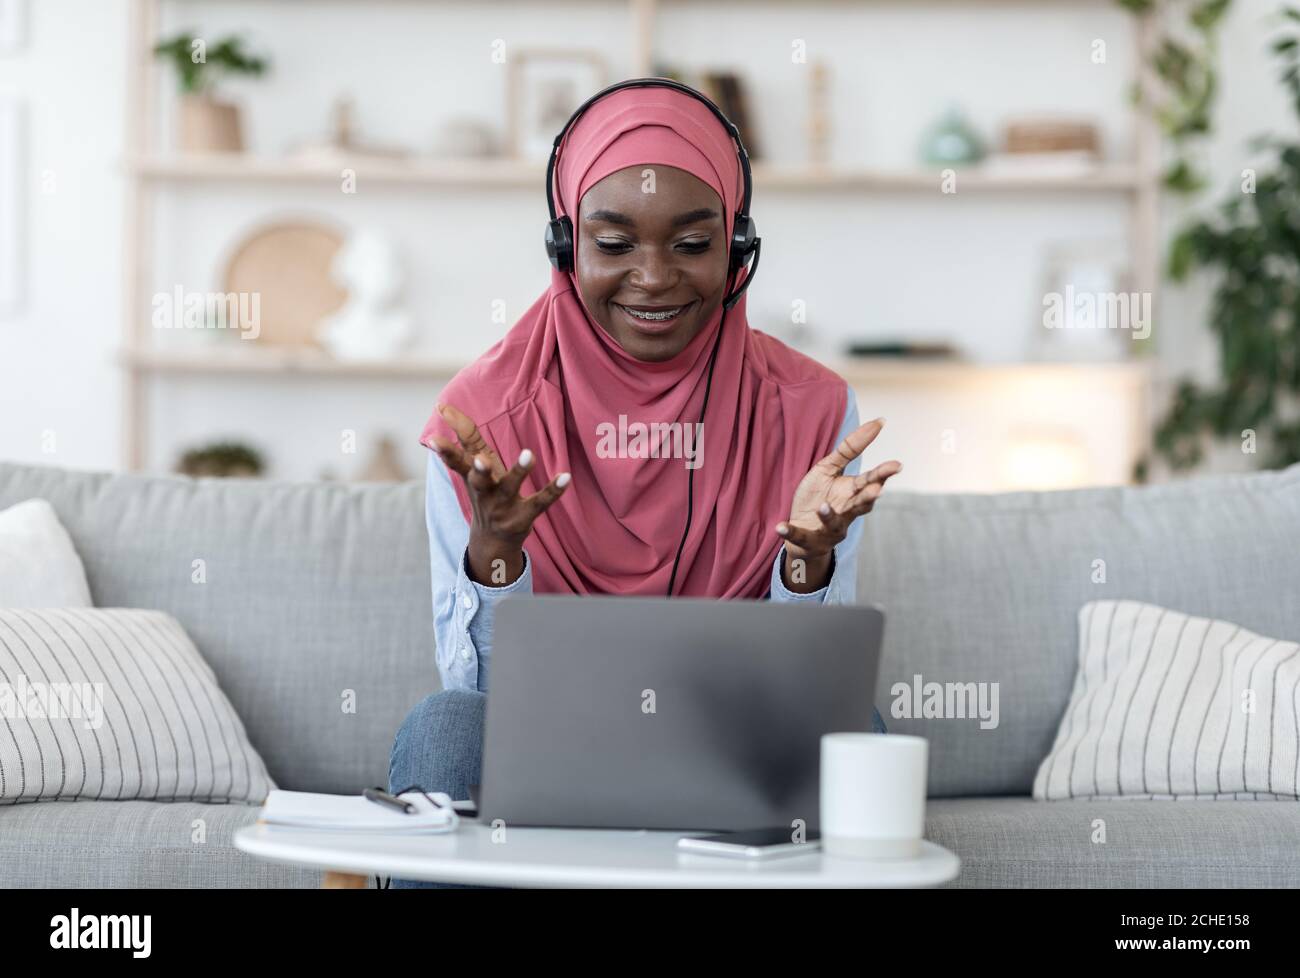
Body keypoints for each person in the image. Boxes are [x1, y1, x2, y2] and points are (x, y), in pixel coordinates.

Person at [388, 83, 902, 881]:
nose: (654, 278)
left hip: (737, 760)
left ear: (737, 250)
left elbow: (813, 699)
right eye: (615, 244)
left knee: (856, 730)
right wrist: (496, 554)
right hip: (548, 755)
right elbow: (478, 693)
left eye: (692, 245)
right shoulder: (483, 417)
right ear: (566, 248)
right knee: (444, 726)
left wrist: (806, 566)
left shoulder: (814, 410)